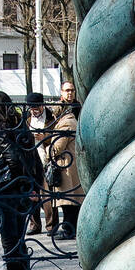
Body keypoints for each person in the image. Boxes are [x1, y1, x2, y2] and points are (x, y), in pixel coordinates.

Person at [0, 90, 43, 270]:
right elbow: (34, 158)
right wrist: (34, 186)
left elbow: (14, 160)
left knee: (9, 239)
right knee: (19, 238)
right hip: (24, 188)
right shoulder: (21, 125)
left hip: (7, 190)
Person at [47, 96, 84, 240]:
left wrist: (47, 154)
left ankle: (69, 229)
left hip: (66, 167)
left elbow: (57, 147)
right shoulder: (71, 121)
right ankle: (71, 228)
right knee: (72, 200)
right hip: (70, 165)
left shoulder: (65, 124)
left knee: (68, 200)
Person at [24, 91, 55, 234]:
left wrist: (44, 137)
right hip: (30, 159)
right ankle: (35, 224)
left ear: (42, 105)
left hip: (45, 158)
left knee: (47, 195)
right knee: (31, 193)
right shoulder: (26, 119)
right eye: (32, 108)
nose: (34, 111)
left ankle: (51, 225)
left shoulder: (51, 117)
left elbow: (57, 137)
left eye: (37, 107)